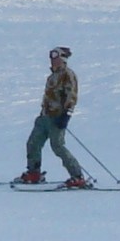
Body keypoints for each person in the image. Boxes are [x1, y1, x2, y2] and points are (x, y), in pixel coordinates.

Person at [16, 45, 88, 186]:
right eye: (51, 58)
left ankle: (77, 176)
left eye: (56, 58)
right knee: (33, 144)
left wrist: (67, 115)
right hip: (44, 117)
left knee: (57, 146)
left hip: (57, 117)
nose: (53, 61)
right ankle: (34, 173)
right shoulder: (52, 76)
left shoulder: (68, 75)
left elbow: (71, 96)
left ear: (63, 59)